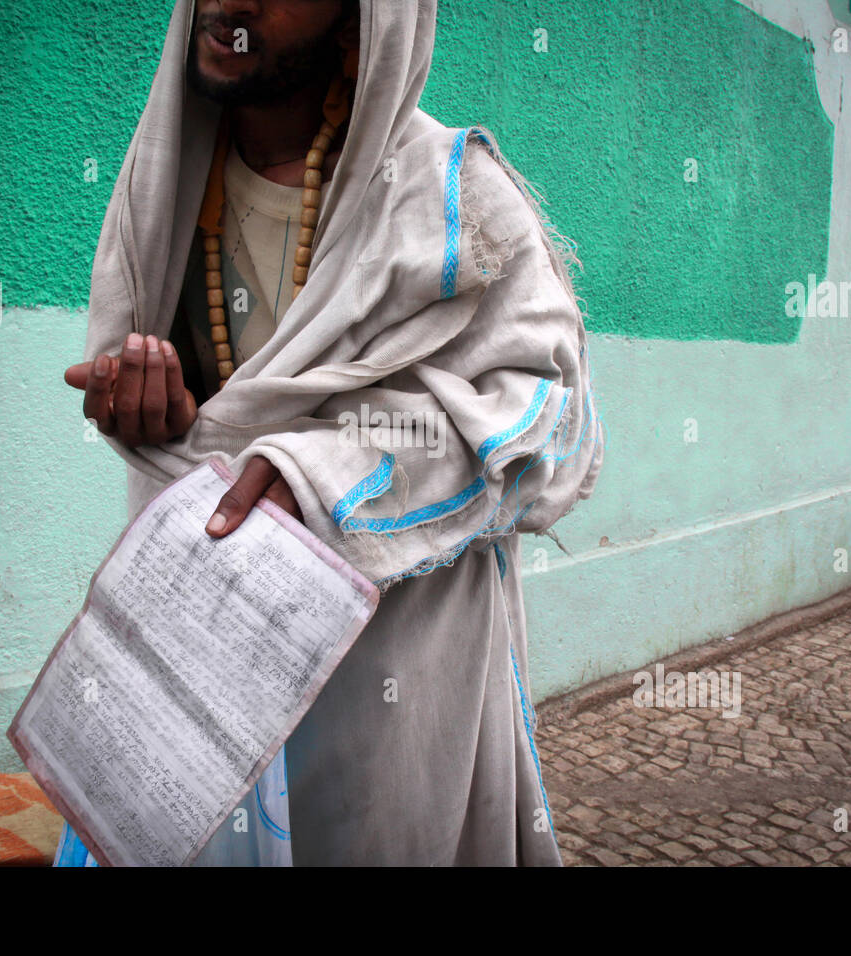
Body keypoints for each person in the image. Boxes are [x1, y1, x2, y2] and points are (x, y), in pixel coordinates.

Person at [60, 0, 602, 866]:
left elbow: (552, 425)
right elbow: (215, 421)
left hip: (391, 695)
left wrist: (329, 475)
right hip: (204, 669)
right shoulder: (165, 183)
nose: (227, 6)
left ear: (363, 25)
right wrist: (163, 417)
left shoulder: (451, 196)